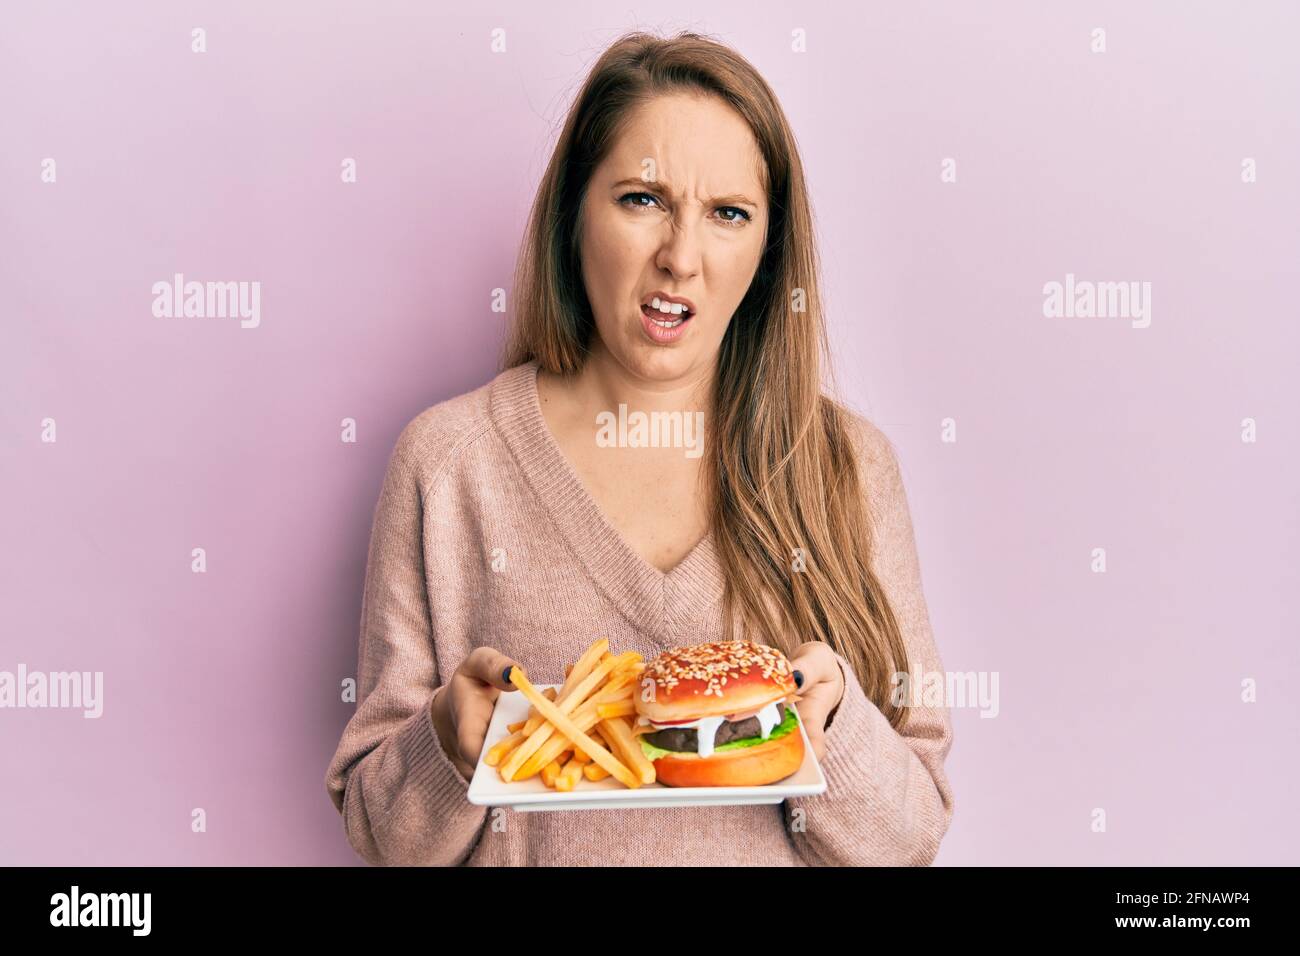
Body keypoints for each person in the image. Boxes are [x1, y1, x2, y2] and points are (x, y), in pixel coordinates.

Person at [325, 30, 954, 866]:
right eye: (641, 199)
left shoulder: (849, 468)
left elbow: (914, 835)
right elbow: (381, 832)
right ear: (574, 213)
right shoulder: (448, 463)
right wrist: (446, 738)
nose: (680, 258)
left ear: (767, 255)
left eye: (728, 214)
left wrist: (835, 727)